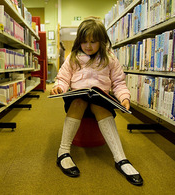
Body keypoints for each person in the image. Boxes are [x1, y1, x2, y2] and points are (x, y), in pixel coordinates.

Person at [50, 17, 143, 186]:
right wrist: (59, 88)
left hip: (99, 99)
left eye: (93, 41)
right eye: (84, 41)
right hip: (77, 98)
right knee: (78, 101)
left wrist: (124, 98)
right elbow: (63, 78)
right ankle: (63, 152)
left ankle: (120, 158)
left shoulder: (109, 58)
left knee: (100, 107)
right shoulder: (73, 57)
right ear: (79, 41)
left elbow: (119, 83)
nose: (88, 46)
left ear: (102, 41)